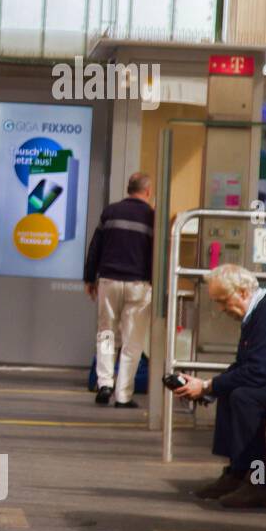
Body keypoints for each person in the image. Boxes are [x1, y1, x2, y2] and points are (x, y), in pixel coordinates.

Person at [173, 264, 266, 509]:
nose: (223, 309)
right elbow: (246, 366)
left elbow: (258, 371)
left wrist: (207, 386)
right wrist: (209, 387)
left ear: (244, 292)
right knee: (231, 390)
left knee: (245, 397)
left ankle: (258, 482)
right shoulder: (258, 312)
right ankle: (238, 472)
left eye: (224, 301)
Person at [83, 172, 154, 408]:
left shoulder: (110, 212)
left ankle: (104, 384)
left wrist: (89, 278)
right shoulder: (152, 217)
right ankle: (123, 395)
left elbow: (95, 246)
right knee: (132, 341)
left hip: (109, 281)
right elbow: (157, 254)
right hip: (138, 285)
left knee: (106, 333)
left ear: (128, 189)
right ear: (147, 192)